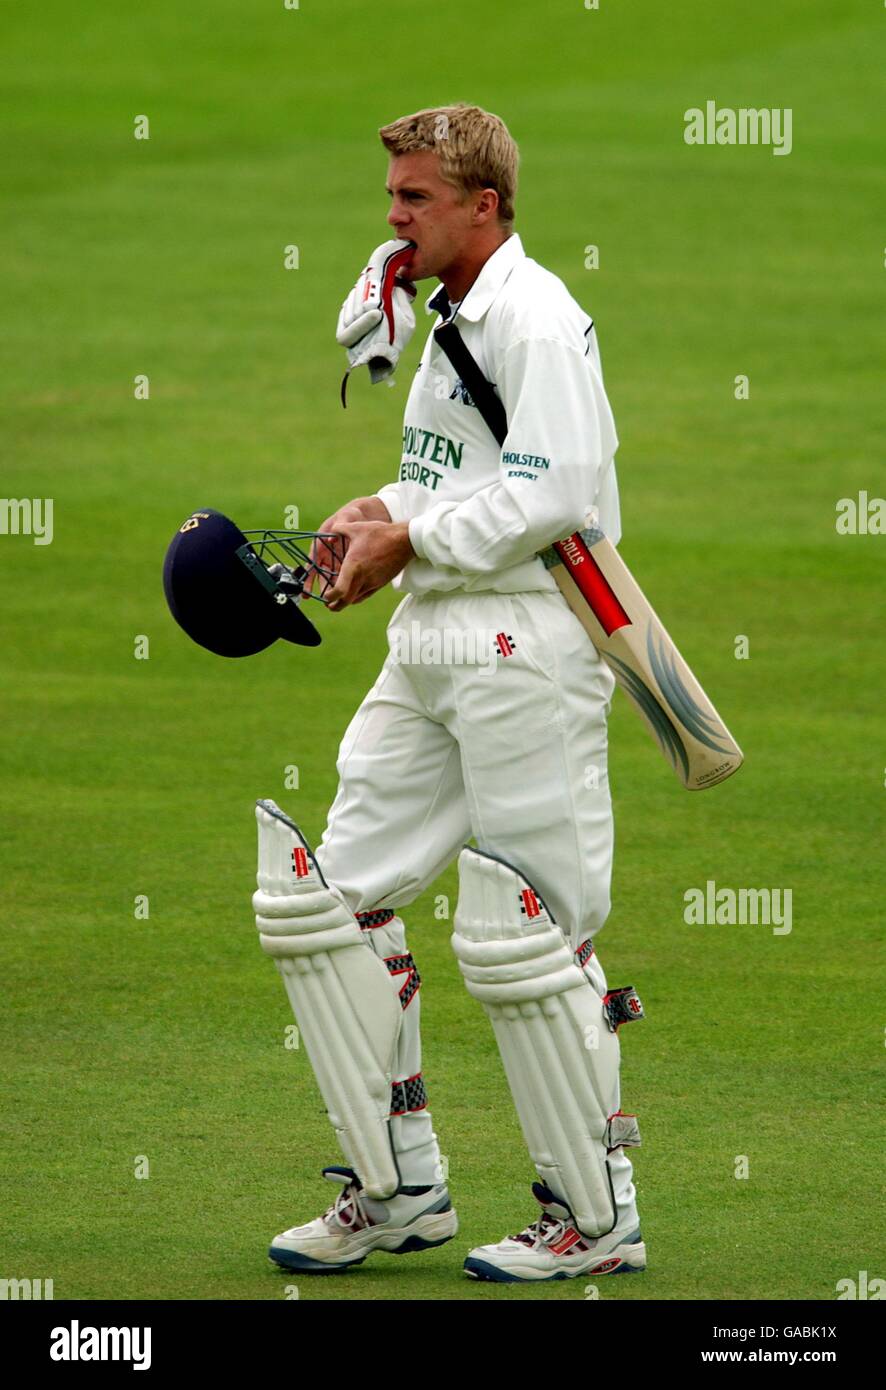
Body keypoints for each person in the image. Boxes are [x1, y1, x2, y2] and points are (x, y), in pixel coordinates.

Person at [256, 103, 646, 1284]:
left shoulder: (536, 318)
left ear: (484, 204)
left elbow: (553, 494)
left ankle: (594, 1212)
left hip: (526, 640)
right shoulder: (449, 319)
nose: (392, 217)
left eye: (414, 198)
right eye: (390, 196)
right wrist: (380, 515)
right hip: (429, 641)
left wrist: (409, 541)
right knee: (328, 907)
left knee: (528, 933)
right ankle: (398, 1187)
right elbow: (456, 473)